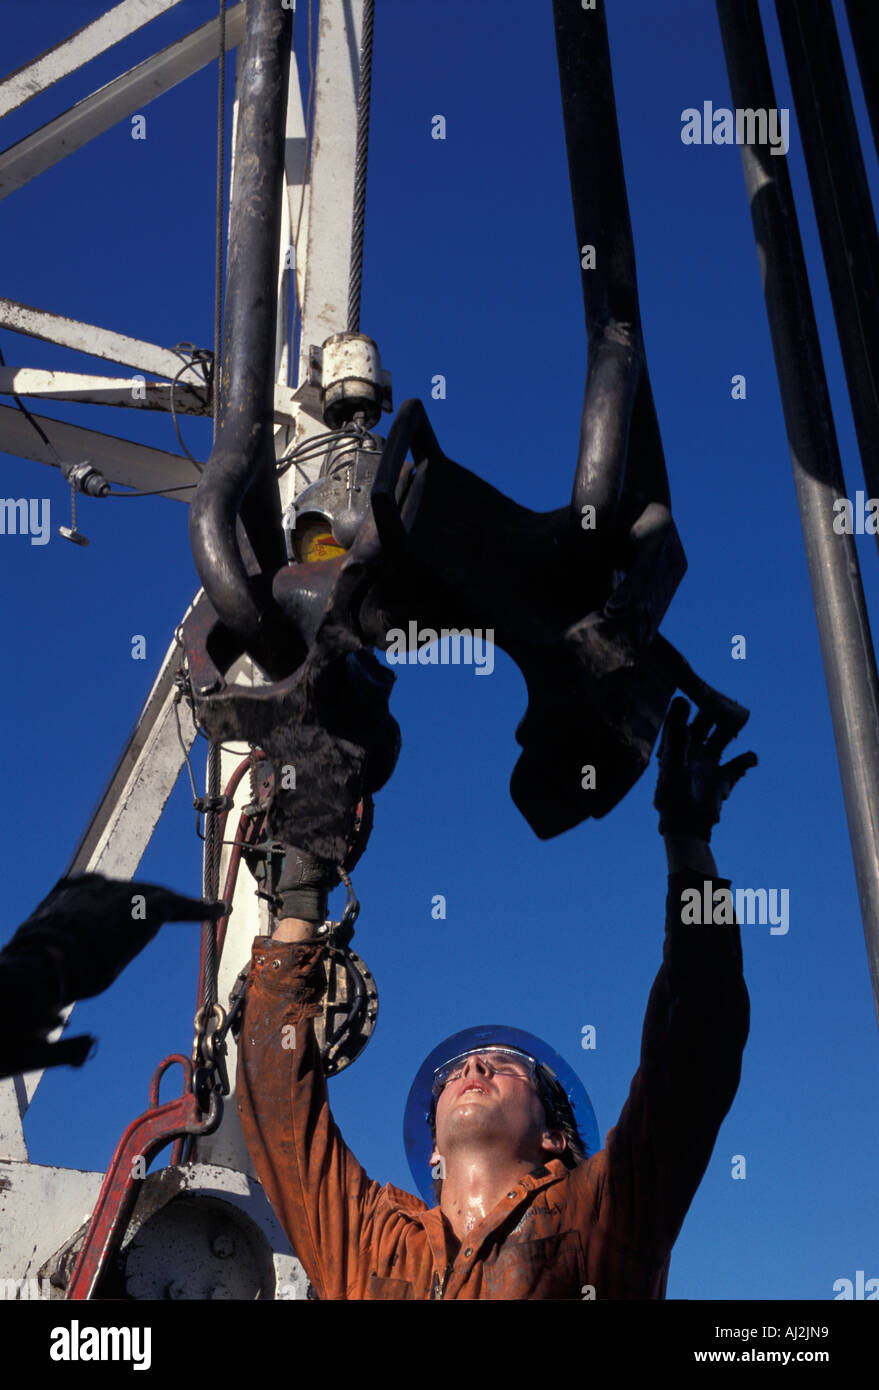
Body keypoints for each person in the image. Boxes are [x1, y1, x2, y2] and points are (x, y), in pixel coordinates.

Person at [236, 697, 756, 1299]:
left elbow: (698, 1042)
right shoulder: (376, 1243)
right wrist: (303, 886)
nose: (474, 1066)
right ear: (433, 1151)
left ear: (554, 1138)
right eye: (456, 1070)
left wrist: (690, 844)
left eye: (507, 1065)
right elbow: (276, 1108)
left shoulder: (601, 1216)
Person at [0, 874, 222, 1079]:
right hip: (67, 928)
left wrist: (205, 912)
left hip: (83, 938)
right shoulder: (97, 945)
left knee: (144, 906)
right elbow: (150, 903)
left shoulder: (105, 942)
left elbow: (151, 903)